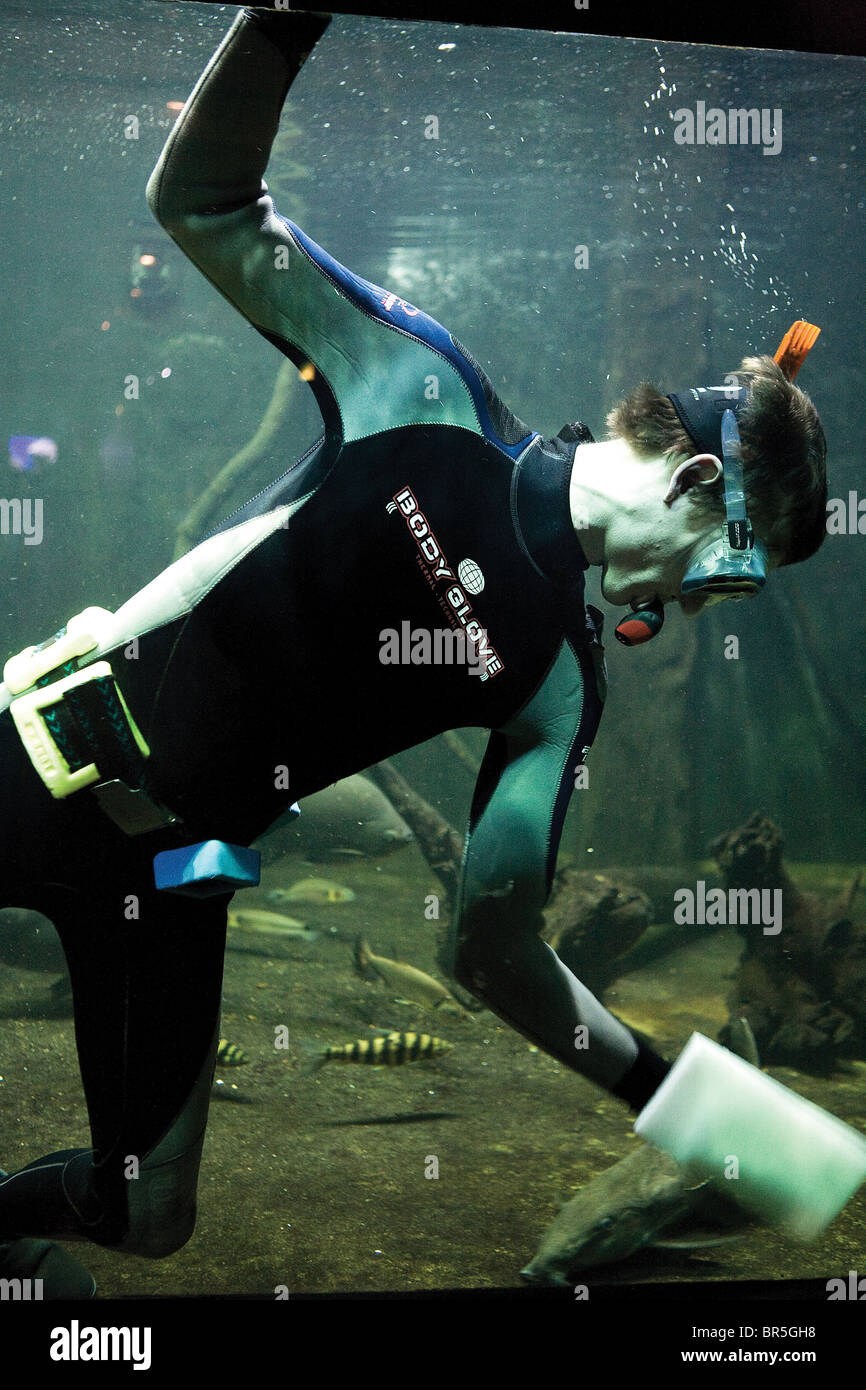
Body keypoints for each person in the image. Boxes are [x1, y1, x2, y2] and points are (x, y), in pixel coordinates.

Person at [0, 7, 834, 1292]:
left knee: (147, 1211)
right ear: (694, 487)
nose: (703, 610)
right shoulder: (421, 392)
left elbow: (491, 952)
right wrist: (287, 16)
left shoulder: (559, 690)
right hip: (39, 760)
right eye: (730, 572)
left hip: (169, 877)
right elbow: (203, 200)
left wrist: (671, 1096)